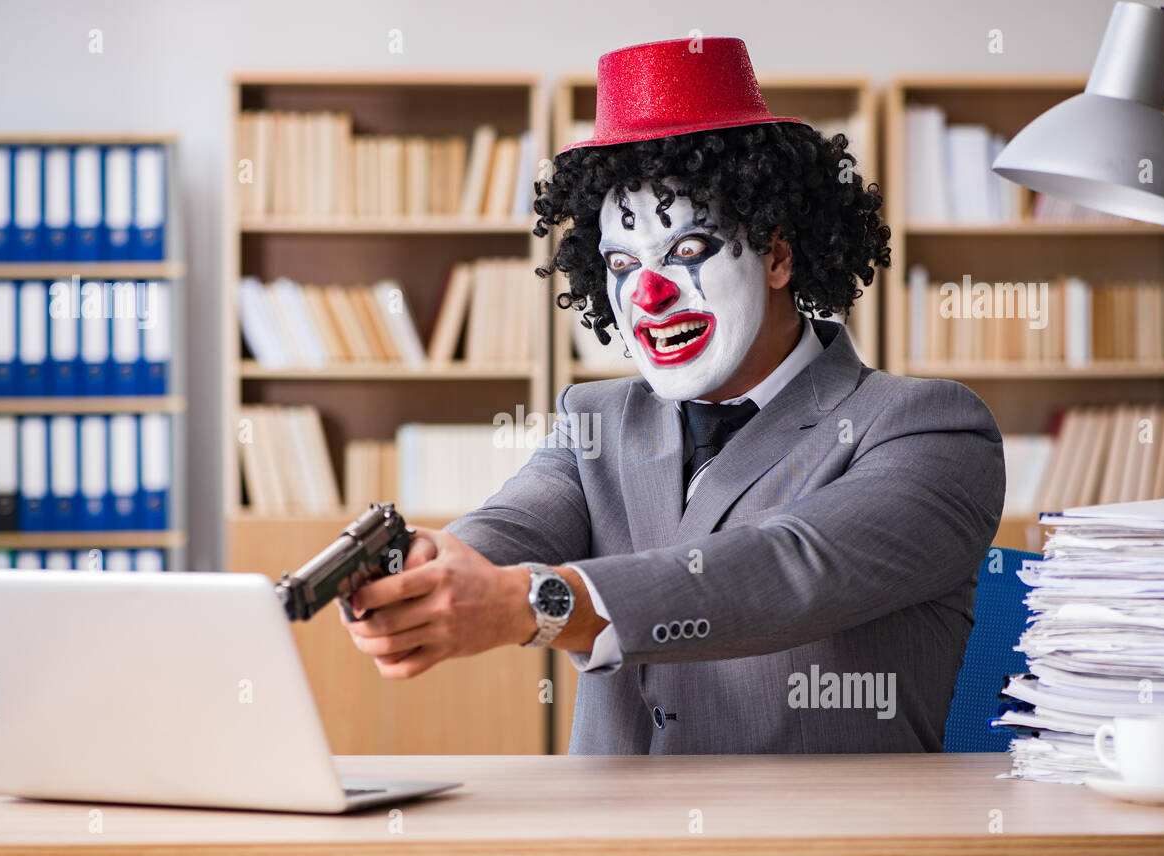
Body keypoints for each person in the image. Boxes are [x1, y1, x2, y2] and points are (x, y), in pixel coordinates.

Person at [341, 36, 1005, 755]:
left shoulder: (928, 428)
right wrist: (431, 566)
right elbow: (513, 528)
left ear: (778, 254)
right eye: (622, 264)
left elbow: (788, 567)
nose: (649, 295)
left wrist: (532, 603)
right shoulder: (595, 418)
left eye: (687, 252)